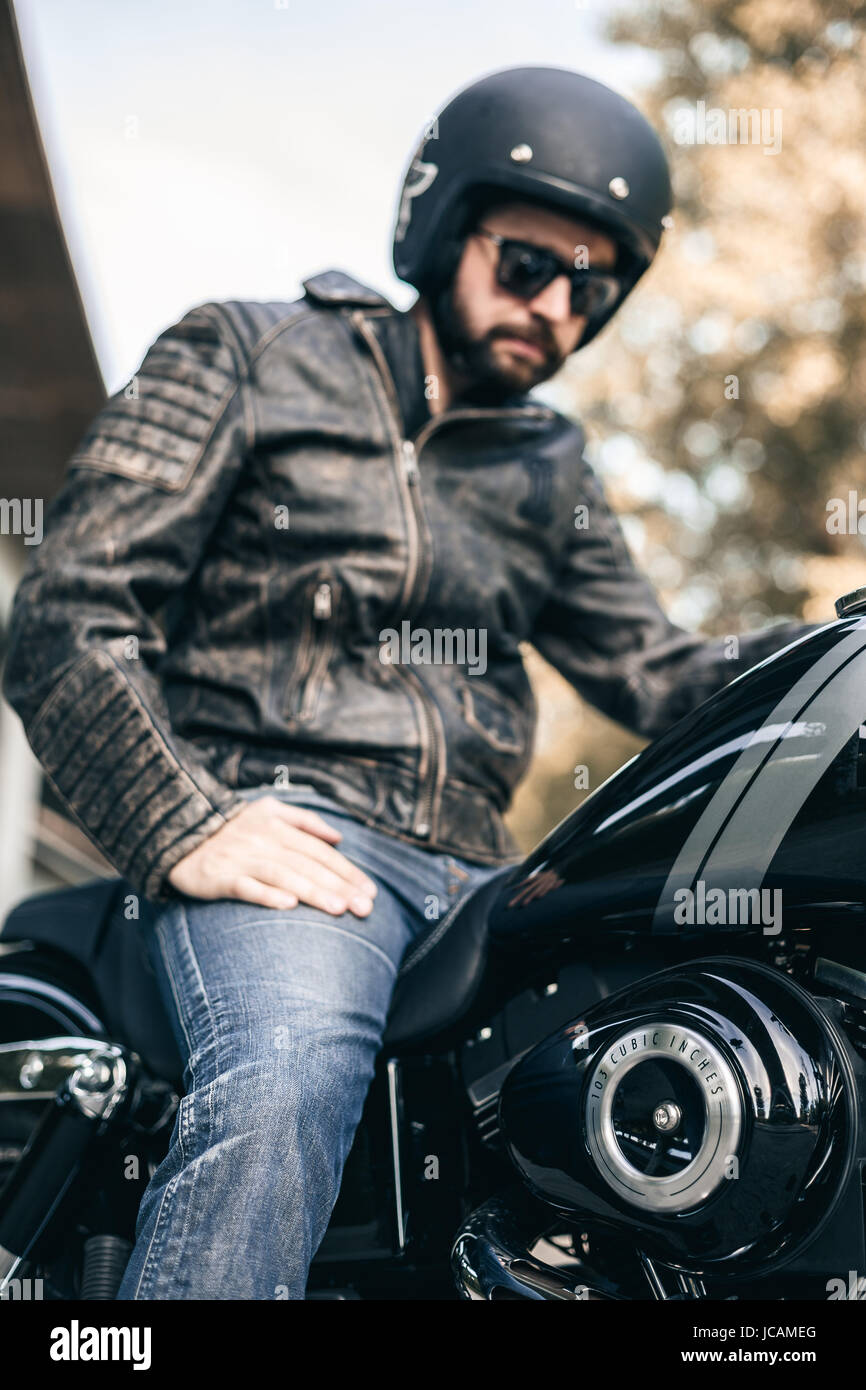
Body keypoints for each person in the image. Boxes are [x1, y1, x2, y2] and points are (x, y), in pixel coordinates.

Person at [1, 66, 811, 1299]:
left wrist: (830, 641)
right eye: (529, 264)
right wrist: (182, 821)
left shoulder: (548, 466)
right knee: (284, 1071)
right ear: (440, 227)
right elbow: (69, 609)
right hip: (292, 841)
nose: (557, 308)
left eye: (593, 289)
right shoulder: (250, 353)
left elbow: (663, 676)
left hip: (479, 871)